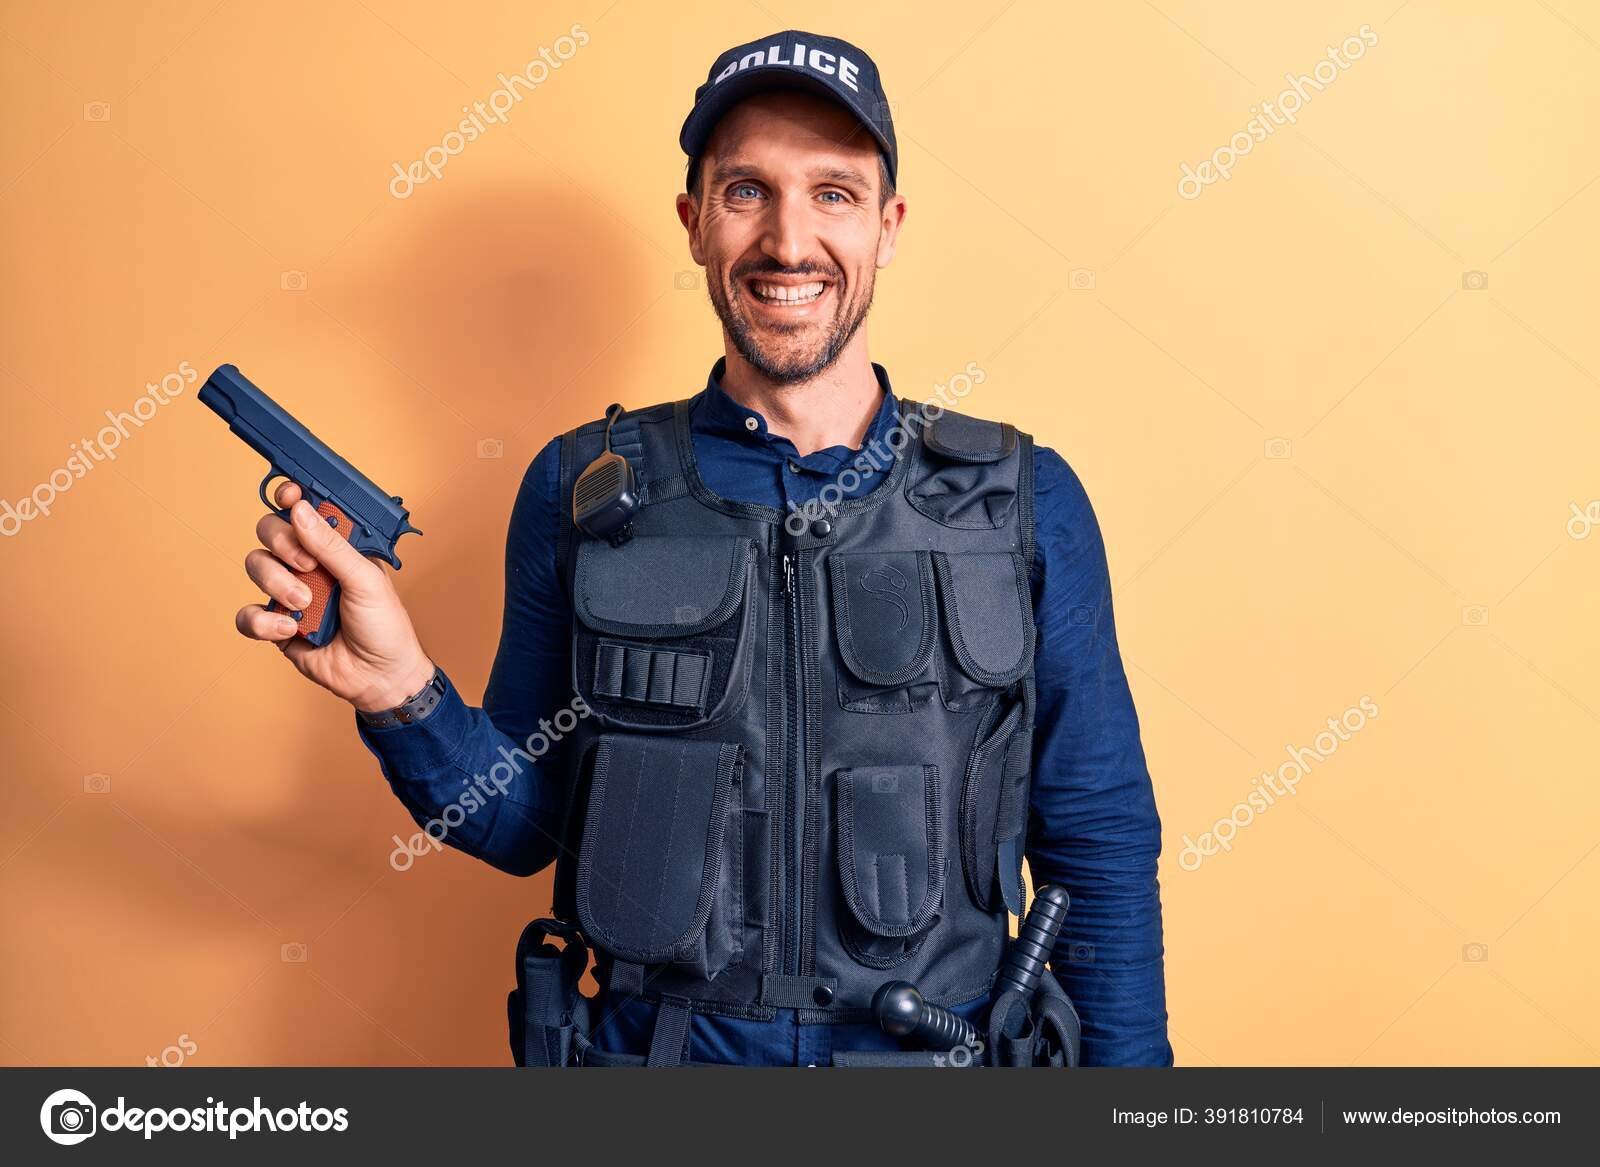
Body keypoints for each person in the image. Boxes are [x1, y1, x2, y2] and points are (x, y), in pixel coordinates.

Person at [234, 30, 1172, 1067]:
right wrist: (397, 691)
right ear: (691, 223)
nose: (787, 241)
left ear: (888, 226)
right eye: (745, 192)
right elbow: (527, 830)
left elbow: (1099, 847)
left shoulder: (1023, 501)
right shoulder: (579, 488)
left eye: (832, 193)